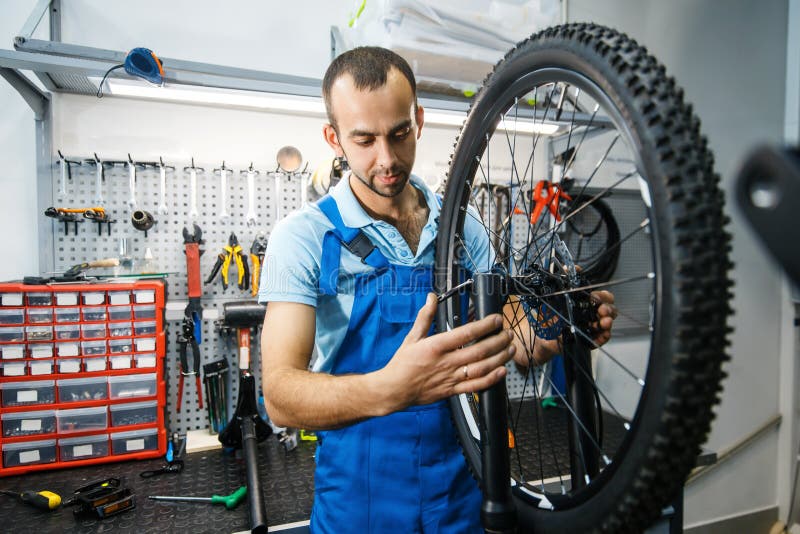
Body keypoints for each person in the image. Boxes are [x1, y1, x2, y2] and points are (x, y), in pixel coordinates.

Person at [258, 46, 616, 533]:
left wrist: (564, 327)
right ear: (333, 138)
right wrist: (390, 389)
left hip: (465, 493)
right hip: (361, 507)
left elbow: (515, 341)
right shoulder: (301, 238)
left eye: (400, 133)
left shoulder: (463, 230)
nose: (386, 159)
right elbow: (280, 394)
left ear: (419, 120)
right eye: (364, 140)